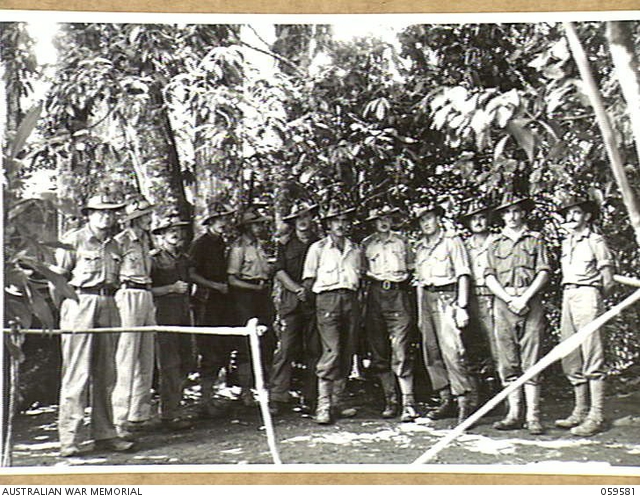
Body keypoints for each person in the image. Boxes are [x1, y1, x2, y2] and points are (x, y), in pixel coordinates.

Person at [54, 193, 133, 457]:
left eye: (111, 212)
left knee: (107, 374)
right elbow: (58, 279)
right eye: (100, 212)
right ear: (88, 214)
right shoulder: (74, 239)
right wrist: (68, 310)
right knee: (77, 374)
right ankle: (70, 438)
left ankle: (105, 434)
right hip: (80, 303)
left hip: (109, 303)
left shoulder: (114, 244)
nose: (106, 217)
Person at [484, 194, 550, 435]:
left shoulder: (535, 240)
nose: (511, 216)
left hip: (530, 302)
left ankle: (533, 415)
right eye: (507, 212)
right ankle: (513, 414)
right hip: (504, 303)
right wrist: (509, 299)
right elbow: (489, 276)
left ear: (523, 213)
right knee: (507, 360)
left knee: (531, 359)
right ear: (502, 216)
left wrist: (524, 298)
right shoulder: (494, 243)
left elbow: (543, 271)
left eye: (515, 211)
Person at [555, 195, 614, 437]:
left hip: (588, 296)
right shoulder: (567, 241)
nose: (571, 217)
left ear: (587, 216)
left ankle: (595, 415)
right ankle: (580, 410)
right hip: (568, 296)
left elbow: (608, 278)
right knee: (570, 354)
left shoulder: (596, 240)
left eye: (577, 212)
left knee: (592, 354)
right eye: (569, 213)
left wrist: (595, 298)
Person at [413, 202, 477, 425]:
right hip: (427, 299)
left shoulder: (452, 241)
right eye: (422, 220)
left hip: (447, 297)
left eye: (429, 218)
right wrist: (421, 315)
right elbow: (419, 281)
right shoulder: (420, 247)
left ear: (437, 218)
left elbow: (463, 274)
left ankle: (465, 402)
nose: (426, 223)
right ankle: (445, 398)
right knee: (431, 352)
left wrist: (461, 306)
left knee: (453, 351)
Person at [302, 200, 362, 425]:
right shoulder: (317, 249)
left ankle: (338, 401)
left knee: (347, 350)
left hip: (351, 300)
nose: (340, 224)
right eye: (336, 221)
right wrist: (314, 305)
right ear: (327, 225)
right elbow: (308, 280)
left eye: (344, 221)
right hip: (327, 300)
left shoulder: (355, 249)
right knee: (332, 351)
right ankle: (324, 404)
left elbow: (361, 277)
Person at [362, 205, 418, 423]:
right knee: (378, 349)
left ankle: (408, 403)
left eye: (386, 218)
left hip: (398, 294)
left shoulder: (403, 242)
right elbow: (361, 271)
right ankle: (390, 400)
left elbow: (413, 268)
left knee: (401, 348)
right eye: (379, 218)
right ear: (373, 222)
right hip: (375, 295)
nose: (383, 222)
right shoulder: (366, 244)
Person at [269, 201, 321, 416]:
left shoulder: (320, 244)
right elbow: (279, 271)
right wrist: (297, 290)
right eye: (298, 218)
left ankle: (311, 397)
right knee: (286, 347)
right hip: (291, 300)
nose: (303, 221)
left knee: (314, 348)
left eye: (306, 217)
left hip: (315, 300)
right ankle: (277, 396)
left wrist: (309, 291)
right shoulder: (284, 244)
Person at [112, 198, 157, 440]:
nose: (151, 219)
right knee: (126, 355)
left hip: (146, 294)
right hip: (127, 293)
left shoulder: (147, 241)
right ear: (137, 218)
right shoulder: (121, 241)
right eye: (147, 215)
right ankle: (119, 418)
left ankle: (138, 414)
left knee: (145, 355)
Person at [189, 202, 234, 418]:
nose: (222, 224)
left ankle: (211, 397)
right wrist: (214, 286)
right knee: (208, 349)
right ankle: (204, 400)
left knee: (221, 348)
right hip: (206, 302)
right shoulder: (201, 244)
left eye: (224, 220)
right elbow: (191, 273)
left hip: (222, 302)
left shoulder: (221, 244)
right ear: (210, 223)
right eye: (218, 220)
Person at [227, 207, 274, 407]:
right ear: (246, 227)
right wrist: (253, 288)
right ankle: (246, 391)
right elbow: (232, 279)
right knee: (246, 343)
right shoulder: (238, 248)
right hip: (245, 296)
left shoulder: (260, 246)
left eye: (261, 223)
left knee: (267, 340)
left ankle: (264, 389)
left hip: (262, 295)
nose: (260, 227)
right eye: (256, 224)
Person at [150, 214, 194, 430]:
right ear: (161, 236)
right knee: (169, 364)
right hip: (163, 315)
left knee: (186, 360)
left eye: (179, 230)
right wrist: (170, 289)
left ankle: (176, 407)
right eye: (171, 231)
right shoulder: (154, 259)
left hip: (184, 314)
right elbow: (144, 290)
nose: (177, 234)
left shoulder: (184, 259)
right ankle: (168, 414)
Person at [460, 199, 499, 404]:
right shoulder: (464, 246)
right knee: (473, 346)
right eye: (473, 218)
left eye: (482, 217)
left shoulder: (497, 241)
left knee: (498, 346)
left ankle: (506, 398)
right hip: (471, 297)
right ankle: (479, 397)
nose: (478, 222)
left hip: (494, 297)